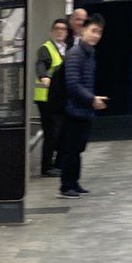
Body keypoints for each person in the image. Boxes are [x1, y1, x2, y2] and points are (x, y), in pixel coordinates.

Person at [56, 14, 108, 199]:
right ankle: (66, 186)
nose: (96, 36)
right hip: (73, 110)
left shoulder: (89, 53)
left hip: (84, 110)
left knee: (78, 148)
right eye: (93, 31)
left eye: (99, 32)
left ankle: (74, 182)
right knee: (71, 149)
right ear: (83, 30)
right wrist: (92, 99)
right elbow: (73, 84)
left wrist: (92, 100)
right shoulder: (75, 54)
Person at [33, 18, 69, 177]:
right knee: (51, 133)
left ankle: (57, 164)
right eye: (57, 28)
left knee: (61, 132)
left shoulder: (66, 49)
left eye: (63, 29)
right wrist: (43, 76)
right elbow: (40, 64)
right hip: (46, 99)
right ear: (52, 31)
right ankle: (46, 167)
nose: (60, 31)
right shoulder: (46, 48)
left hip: (59, 98)